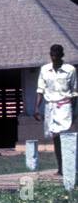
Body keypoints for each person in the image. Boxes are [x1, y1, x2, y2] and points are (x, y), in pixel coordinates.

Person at [33, 44, 77, 175]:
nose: (54, 59)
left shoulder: (70, 70)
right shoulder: (45, 70)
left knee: (66, 137)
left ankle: (70, 167)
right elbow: (40, 90)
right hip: (50, 106)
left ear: (62, 56)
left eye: (57, 57)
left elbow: (74, 93)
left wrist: (74, 112)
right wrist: (36, 108)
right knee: (55, 138)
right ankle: (61, 168)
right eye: (52, 56)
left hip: (65, 106)